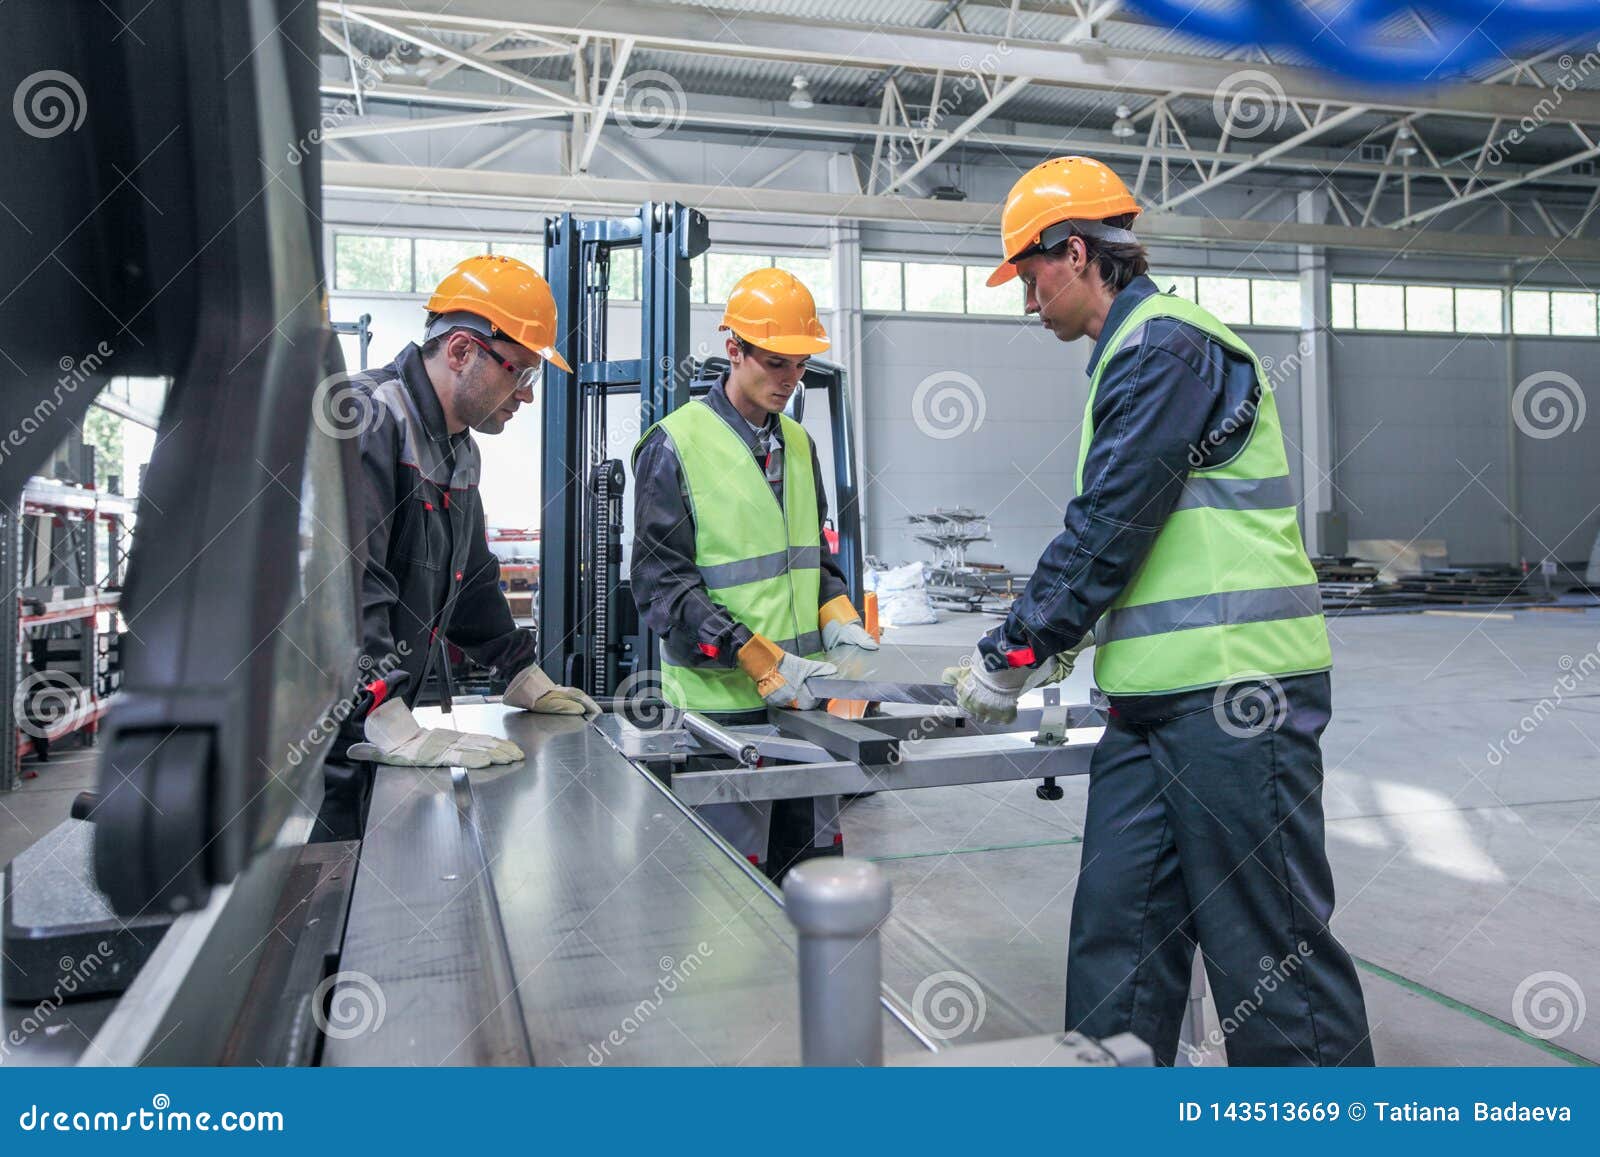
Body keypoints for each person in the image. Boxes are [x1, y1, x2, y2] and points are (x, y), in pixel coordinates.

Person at [943, 157, 1374, 1066]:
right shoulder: (1133, 354)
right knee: (1118, 946)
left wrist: (1012, 651)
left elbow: (1113, 522)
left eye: (1027, 275)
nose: (1026, 301)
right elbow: (1124, 538)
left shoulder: (1168, 348)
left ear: (1073, 252)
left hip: (1234, 697)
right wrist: (1048, 652)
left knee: (1269, 959)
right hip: (1150, 705)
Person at [317, 254, 597, 842]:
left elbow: (472, 581)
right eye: (519, 371)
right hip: (317, 738)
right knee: (317, 894)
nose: (524, 395)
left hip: (372, 728)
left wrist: (519, 672)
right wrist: (379, 708)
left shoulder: (459, 449)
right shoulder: (370, 417)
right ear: (463, 351)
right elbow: (343, 580)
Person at [630, 267, 877, 881]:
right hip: (720, 719)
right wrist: (752, 654)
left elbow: (811, 558)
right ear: (733, 350)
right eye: (774, 362)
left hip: (804, 711)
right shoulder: (674, 445)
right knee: (730, 907)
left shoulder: (798, 443)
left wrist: (839, 615)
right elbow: (663, 584)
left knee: (813, 884)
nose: (790, 380)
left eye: (799, 364)